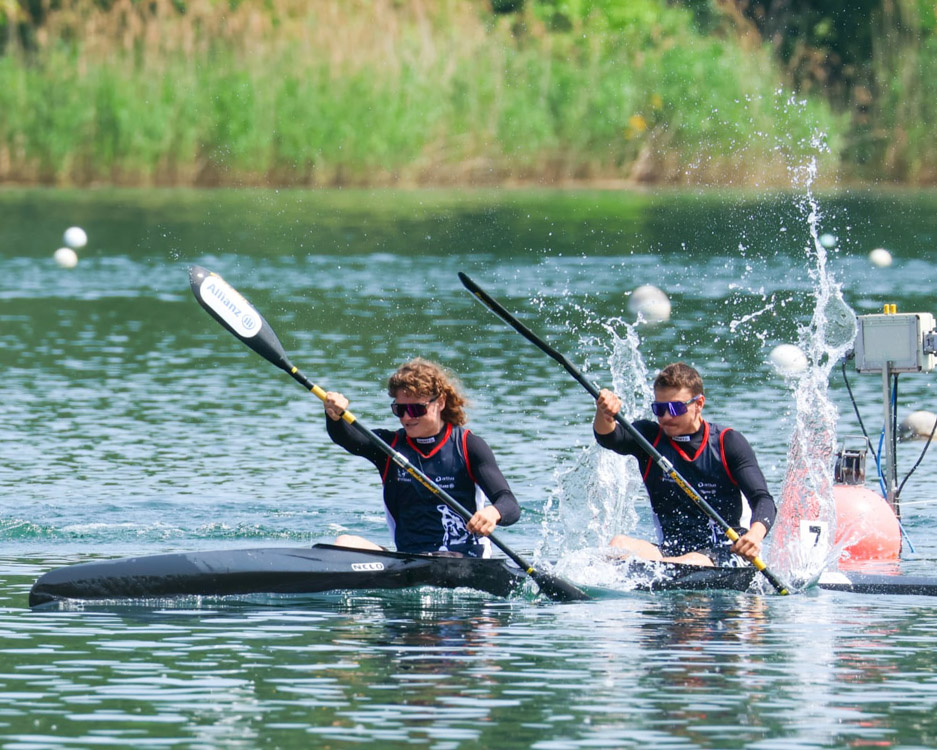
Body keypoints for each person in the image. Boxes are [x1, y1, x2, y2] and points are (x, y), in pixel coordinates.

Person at [323, 358, 521, 557]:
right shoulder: (389, 447)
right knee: (344, 543)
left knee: (443, 557)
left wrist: (493, 513)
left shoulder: (469, 446)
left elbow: (509, 503)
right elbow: (348, 438)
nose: (407, 417)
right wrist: (335, 416)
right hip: (408, 561)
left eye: (416, 409)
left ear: (440, 402)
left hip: (464, 559)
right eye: (400, 409)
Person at [593, 362, 776, 567]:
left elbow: (763, 499)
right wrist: (605, 413)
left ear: (699, 404)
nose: (666, 417)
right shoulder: (649, 438)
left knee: (690, 562)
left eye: (675, 408)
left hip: (724, 552)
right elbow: (609, 437)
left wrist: (755, 535)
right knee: (618, 545)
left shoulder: (728, 443)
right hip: (671, 551)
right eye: (660, 409)